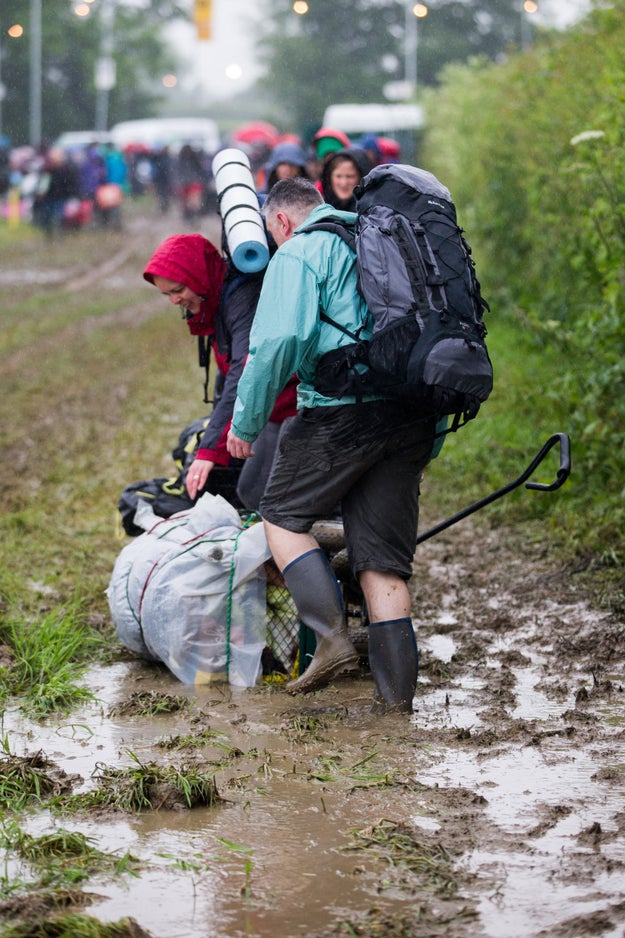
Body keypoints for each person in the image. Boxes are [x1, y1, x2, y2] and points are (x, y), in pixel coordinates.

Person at [226, 178, 437, 713]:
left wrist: (246, 425)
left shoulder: (300, 251)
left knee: (279, 516)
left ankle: (332, 641)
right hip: (411, 415)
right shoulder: (381, 243)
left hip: (341, 412)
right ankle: (395, 710)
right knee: (381, 567)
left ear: (280, 222)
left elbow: (276, 343)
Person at [143, 233, 297, 509]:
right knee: (253, 494)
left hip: (294, 408)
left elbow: (242, 372)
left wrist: (209, 450)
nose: (174, 301)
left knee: (269, 499)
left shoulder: (241, 298)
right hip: (271, 412)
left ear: (198, 278)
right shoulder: (218, 302)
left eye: (178, 290)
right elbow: (226, 377)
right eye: (167, 294)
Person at [320, 147, 372, 212]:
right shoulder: (321, 211)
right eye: (338, 176)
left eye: (350, 176)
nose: (343, 183)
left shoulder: (372, 213)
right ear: (329, 178)